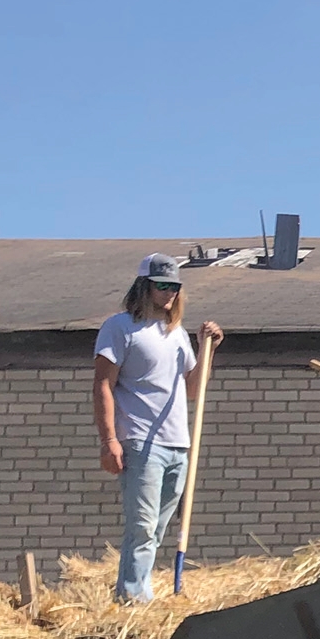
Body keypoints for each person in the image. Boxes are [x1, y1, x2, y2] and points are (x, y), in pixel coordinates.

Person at [92, 254, 223, 601]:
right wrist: (109, 441)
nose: (169, 293)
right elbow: (103, 384)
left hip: (178, 443)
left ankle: (138, 589)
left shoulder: (175, 334)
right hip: (139, 440)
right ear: (144, 286)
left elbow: (193, 390)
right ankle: (133, 598)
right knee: (142, 525)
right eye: (162, 285)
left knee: (159, 528)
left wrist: (205, 349)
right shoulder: (119, 327)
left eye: (174, 287)